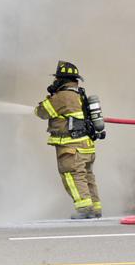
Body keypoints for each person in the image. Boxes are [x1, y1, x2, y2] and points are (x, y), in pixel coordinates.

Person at [35, 61, 101, 219]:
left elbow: (41, 112)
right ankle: (96, 207)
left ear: (62, 80)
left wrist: (51, 96)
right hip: (87, 146)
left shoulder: (62, 97)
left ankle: (85, 209)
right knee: (87, 176)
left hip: (71, 147)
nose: (54, 82)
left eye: (57, 79)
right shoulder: (79, 95)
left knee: (73, 175)